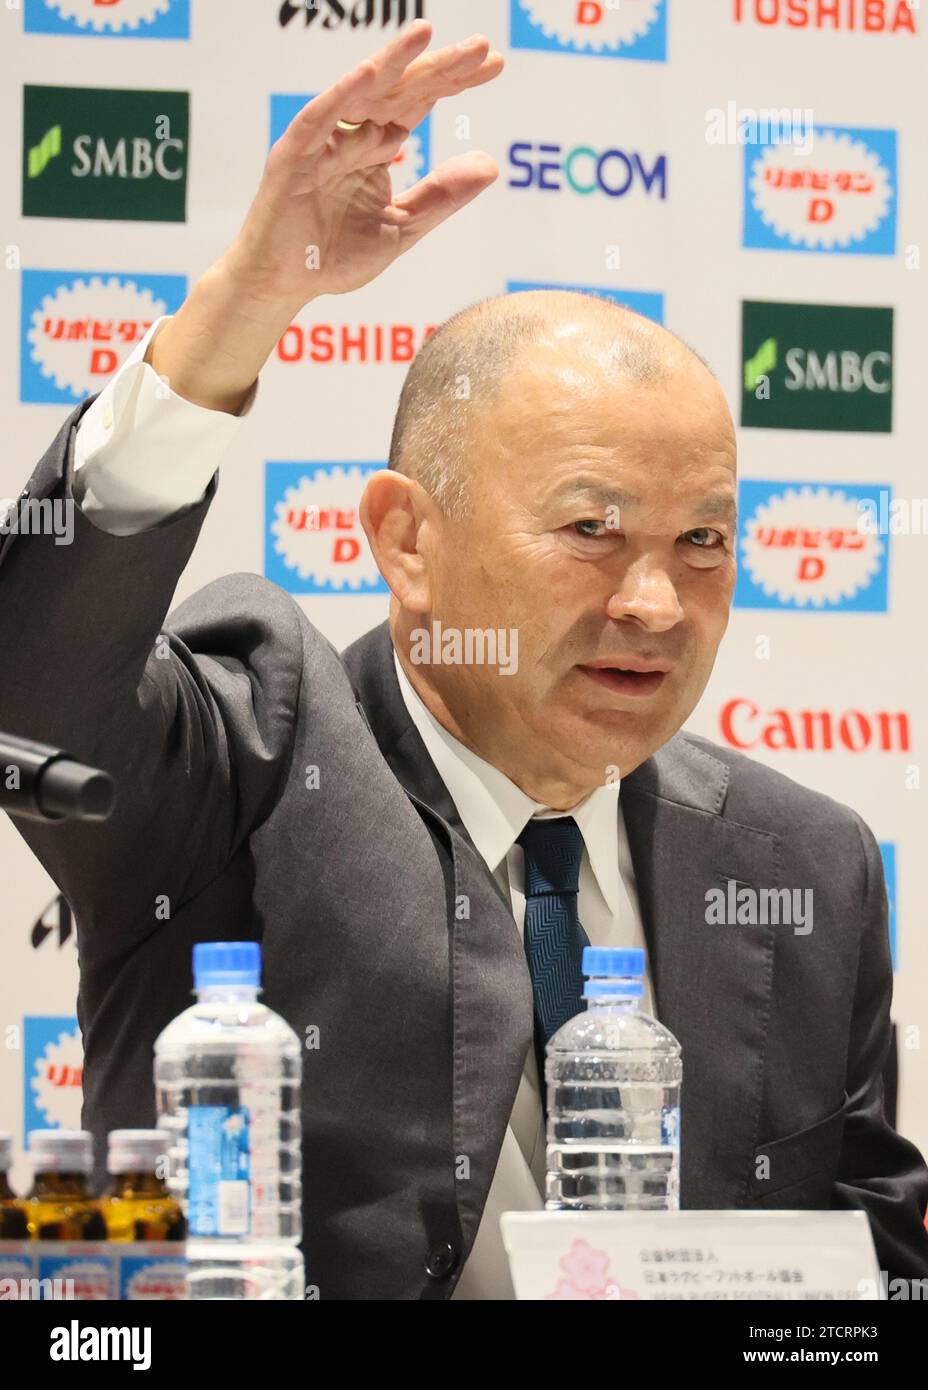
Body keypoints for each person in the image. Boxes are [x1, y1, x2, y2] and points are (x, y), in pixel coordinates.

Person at [2, 20, 926, 1299]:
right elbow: (38, 694)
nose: (655, 602)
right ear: (406, 538)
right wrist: (246, 308)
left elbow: (868, 1250)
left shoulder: (804, 861)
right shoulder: (249, 751)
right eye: (591, 532)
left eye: (703, 540)